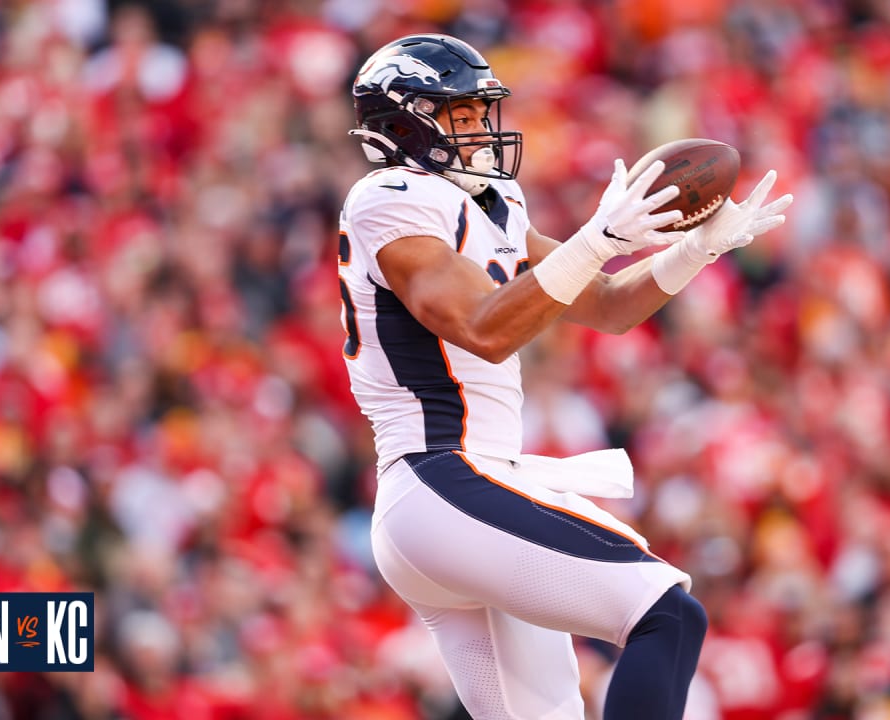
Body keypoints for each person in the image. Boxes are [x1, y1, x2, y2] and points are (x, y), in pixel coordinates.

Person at [338, 34, 791, 719]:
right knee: (665, 613)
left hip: (459, 497)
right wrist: (596, 239)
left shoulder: (491, 205)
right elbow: (485, 329)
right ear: (406, 122)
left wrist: (696, 249)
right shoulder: (391, 199)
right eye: (461, 113)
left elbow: (607, 305)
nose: (482, 129)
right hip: (442, 480)